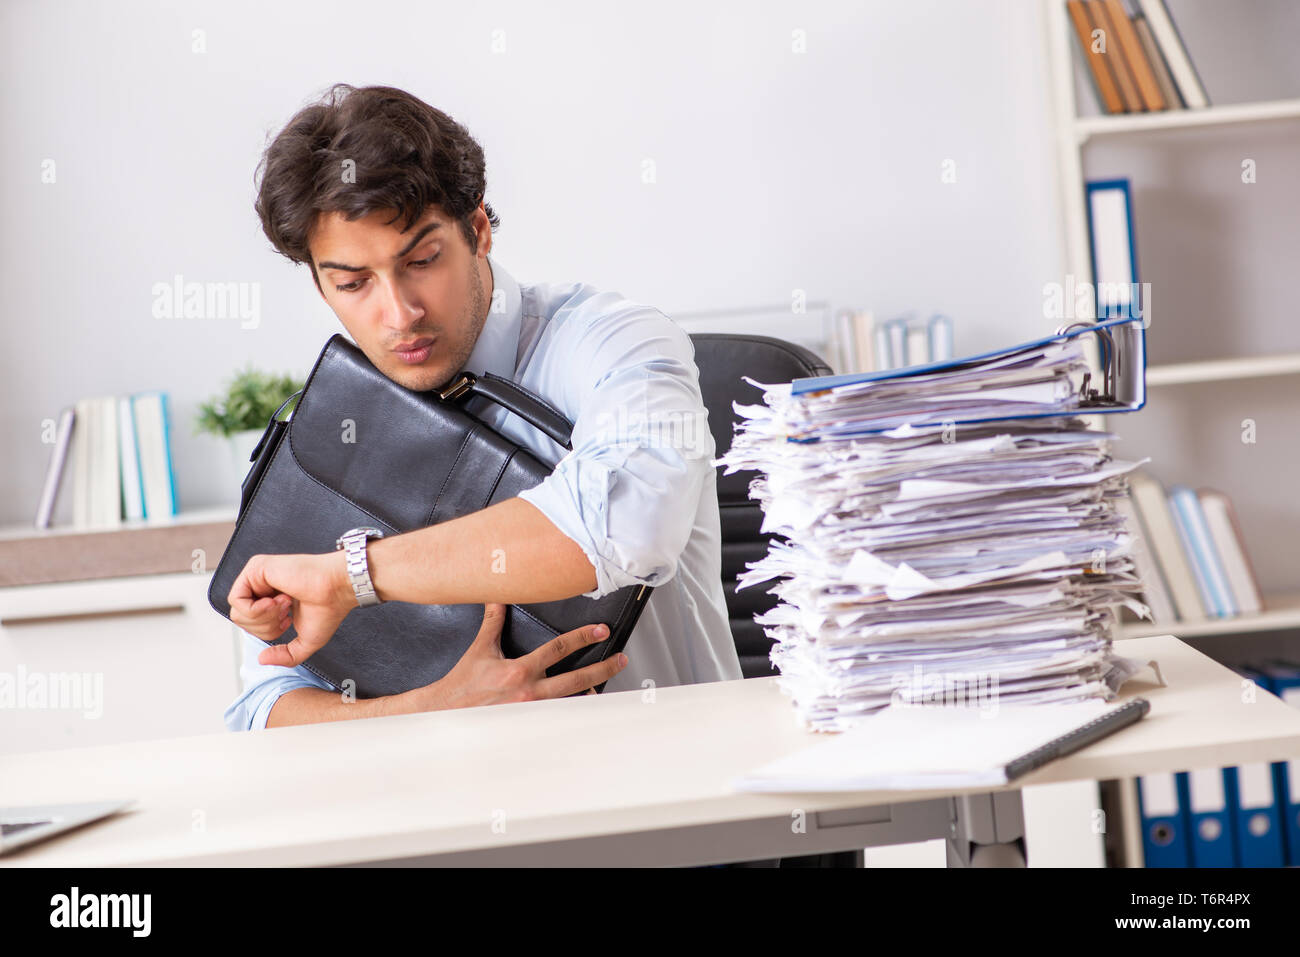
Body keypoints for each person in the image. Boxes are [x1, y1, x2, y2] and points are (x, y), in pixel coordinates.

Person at [223, 83, 742, 731]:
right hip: (448, 816)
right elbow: (260, 708)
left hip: (675, 799)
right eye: (353, 283)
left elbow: (626, 523)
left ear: (477, 229)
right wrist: (430, 710)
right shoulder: (327, 425)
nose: (399, 313)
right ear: (321, 283)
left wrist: (351, 575)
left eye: (422, 259)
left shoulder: (619, 343)